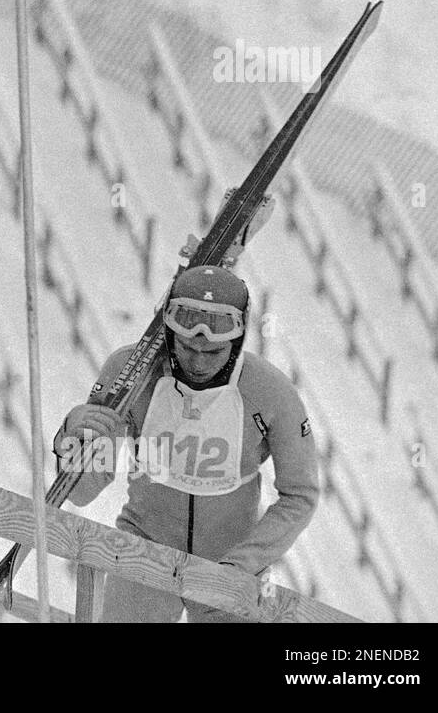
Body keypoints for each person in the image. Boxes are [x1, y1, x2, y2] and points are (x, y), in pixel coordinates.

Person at [52, 264, 319, 622]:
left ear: (237, 344)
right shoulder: (130, 372)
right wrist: (71, 436)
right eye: (188, 346)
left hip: (229, 566)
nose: (197, 362)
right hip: (144, 551)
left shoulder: (269, 391)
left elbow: (300, 495)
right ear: (169, 334)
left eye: (213, 353)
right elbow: (82, 492)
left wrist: (243, 562)